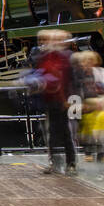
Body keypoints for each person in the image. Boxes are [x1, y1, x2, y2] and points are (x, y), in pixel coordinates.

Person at [29, 29, 77, 174]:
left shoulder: (67, 57)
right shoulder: (44, 56)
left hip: (63, 99)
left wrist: (70, 98)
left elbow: (71, 79)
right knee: (52, 132)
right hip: (49, 99)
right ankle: (56, 162)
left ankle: (70, 162)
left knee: (65, 132)